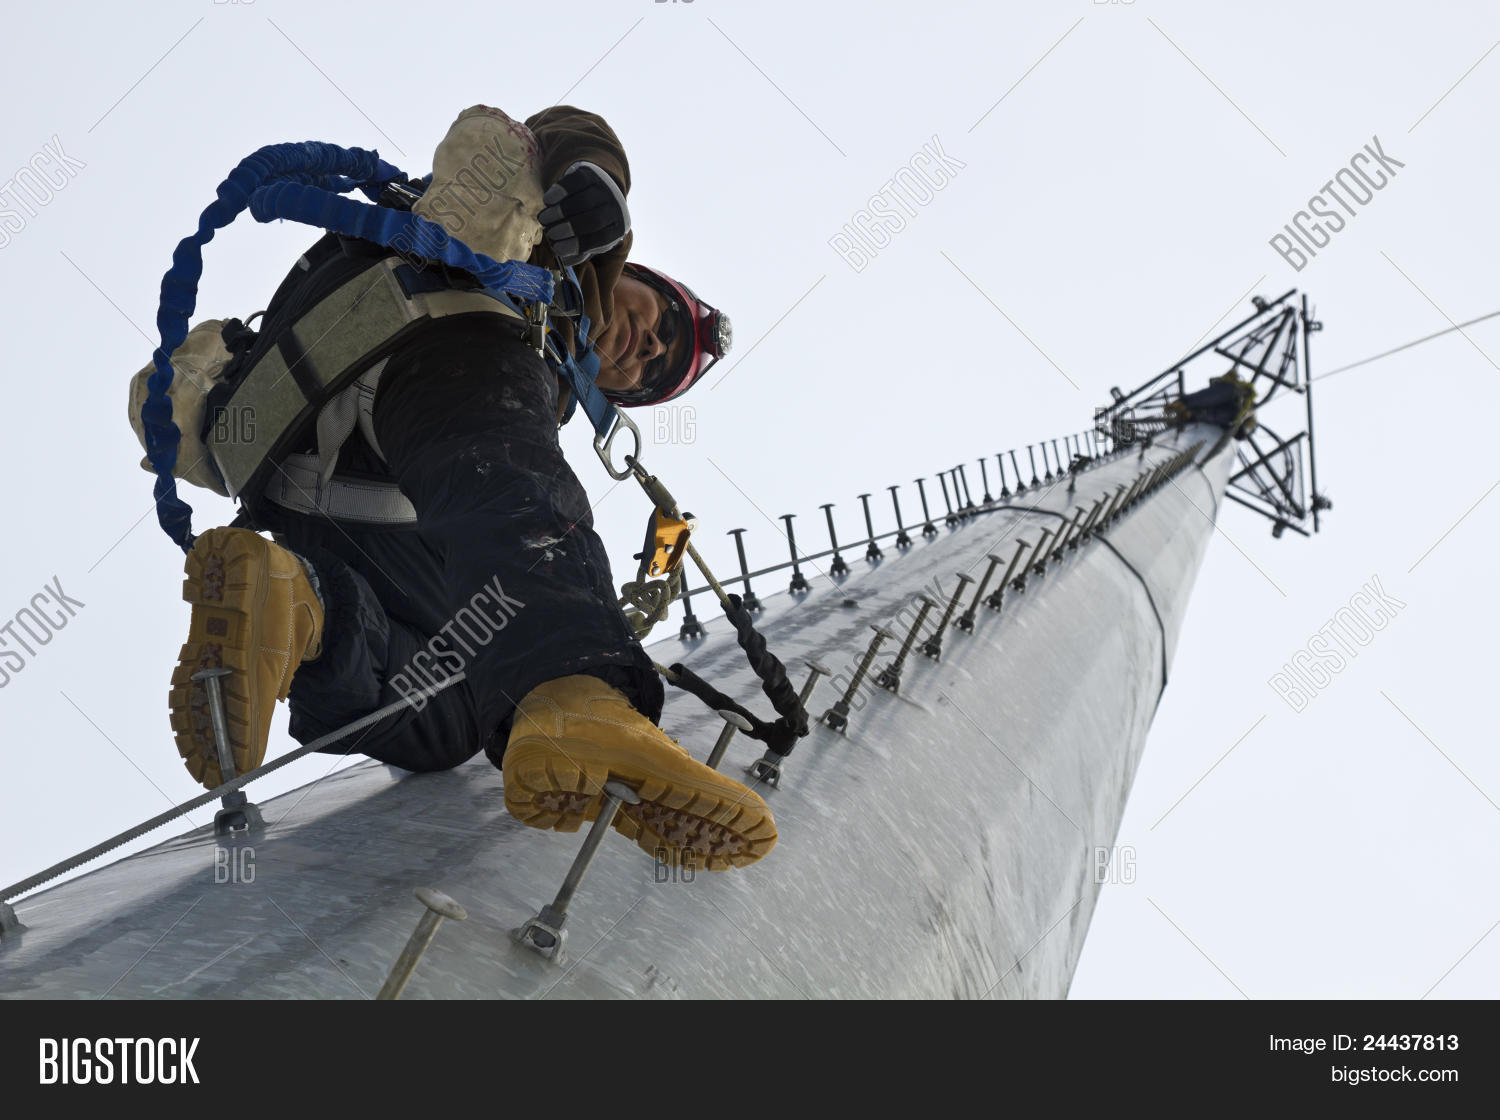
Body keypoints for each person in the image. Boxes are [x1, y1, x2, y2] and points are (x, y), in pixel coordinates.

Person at [165, 105, 774, 872]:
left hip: (319, 484)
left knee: (450, 708)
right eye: (662, 326)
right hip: (430, 347)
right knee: (518, 495)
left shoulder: (557, 365)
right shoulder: (568, 256)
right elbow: (570, 131)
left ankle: (301, 606)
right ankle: (575, 689)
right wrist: (595, 182)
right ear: (636, 277)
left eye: (654, 369)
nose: (648, 346)